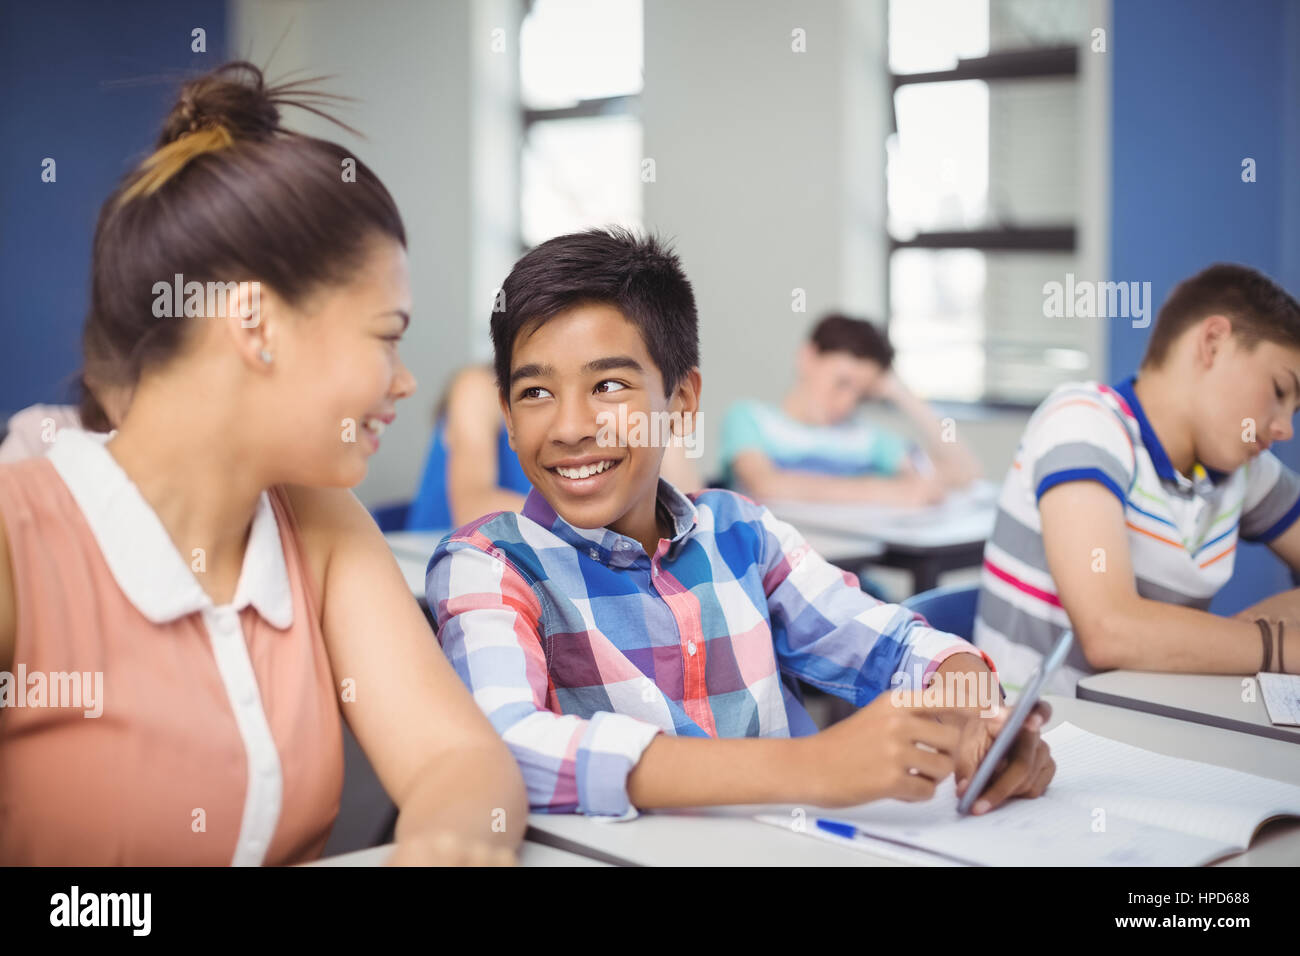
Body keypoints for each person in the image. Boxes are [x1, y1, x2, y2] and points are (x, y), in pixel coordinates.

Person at [0, 61, 524, 865]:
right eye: (387, 334)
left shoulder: (318, 522)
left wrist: (446, 841)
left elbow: (459, 759)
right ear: (255, 325)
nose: (407, 378)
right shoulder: (17, 535)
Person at [427, 227, 1054, 818]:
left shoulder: (743, 535)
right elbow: (502, 750)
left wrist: (977, 713)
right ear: (507, 416)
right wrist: (810, 765)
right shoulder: (486, 565)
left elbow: (895, 645)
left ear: (682, 401)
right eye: (535, 393)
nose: (568, 427)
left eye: (609, 385)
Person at [975, 263, 1300, 695]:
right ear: (1214, 343)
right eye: (1279, 390)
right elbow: (1109, 630)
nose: (1284, 429)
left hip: (1145, 718)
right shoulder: (1083, 422)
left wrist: (1265, 621)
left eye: (1294, 410)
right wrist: (1279, 645)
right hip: (1042, 736)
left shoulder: (1243, 471)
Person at [720, 313, 980, 505]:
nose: (847, 403)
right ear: (807, 358)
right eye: (842, 383)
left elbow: (965, 473)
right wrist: (887, 492)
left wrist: (901, 393)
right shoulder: (750, 419)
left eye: (861, 393)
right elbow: (766, 485)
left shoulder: (866, 439)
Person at [406, 363, 702, 531]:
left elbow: (688, 512)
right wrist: (598, 525)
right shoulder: (477, 386)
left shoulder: (628, 404)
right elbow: (472, 506)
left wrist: (657, 408)